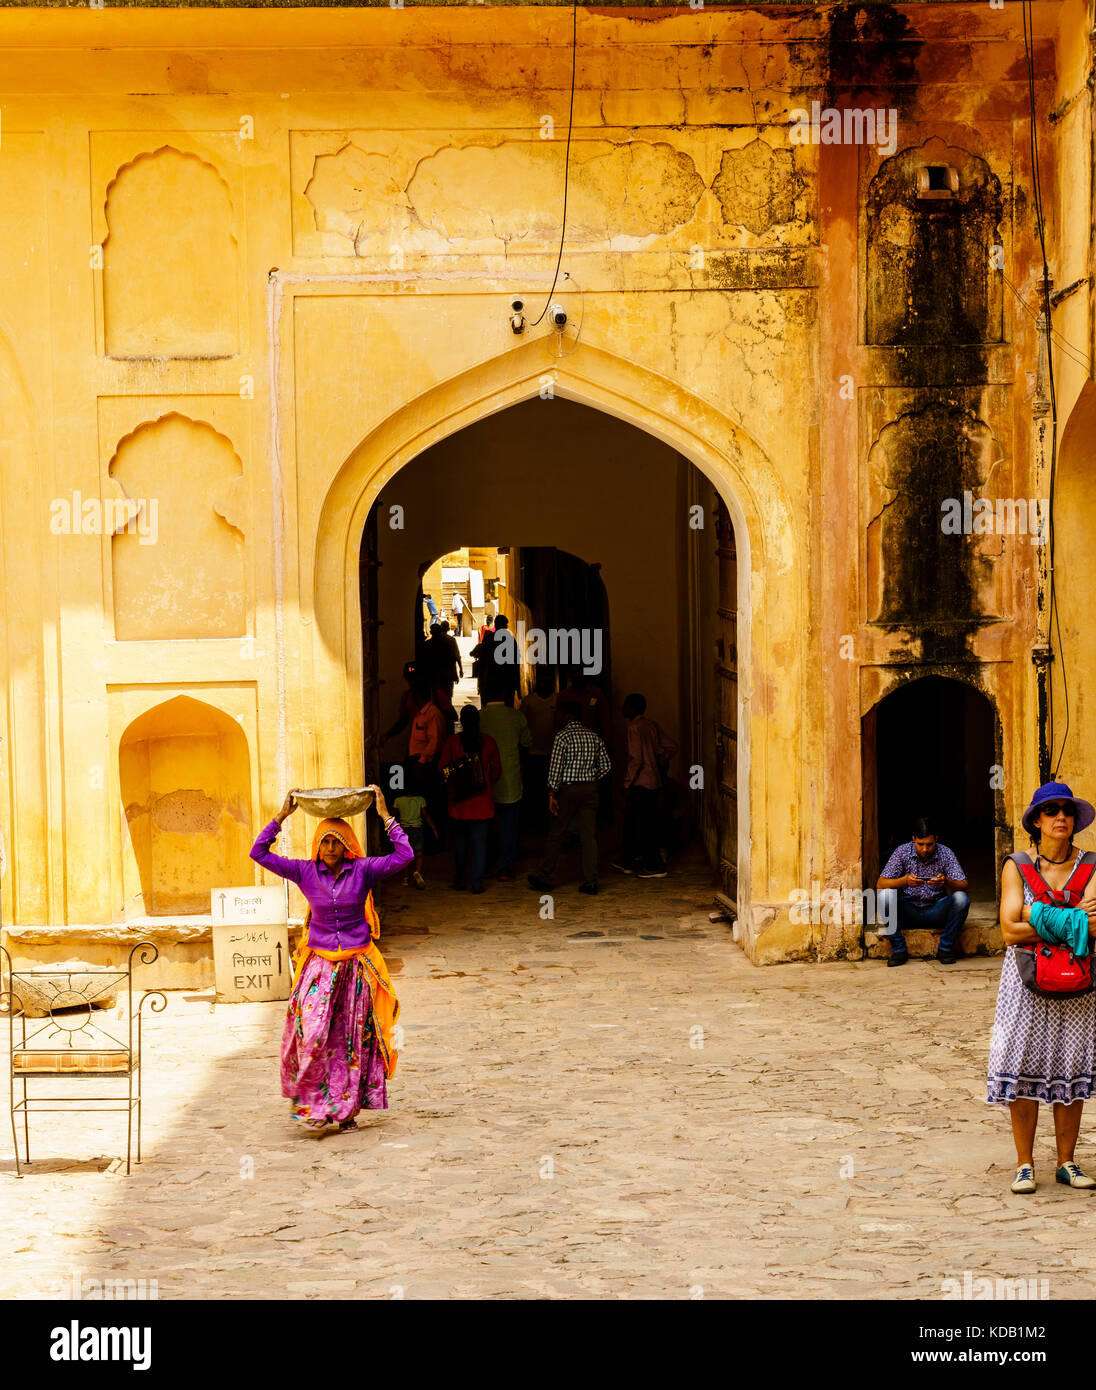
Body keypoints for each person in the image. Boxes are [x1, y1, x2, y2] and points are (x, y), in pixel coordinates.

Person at [250, 787, 411, 1132]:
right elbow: (258, 852)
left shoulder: (363, 871)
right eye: (325, 842)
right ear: (317, 846)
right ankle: (314, 1104)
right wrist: (281, 817)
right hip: (319, 968)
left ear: (348, 845)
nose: (330, 848)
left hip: (356, 968)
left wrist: (385, 816)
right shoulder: (305, 872)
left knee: (350, 1042)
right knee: (313, 1032)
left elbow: (404, 856)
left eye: (337, 841)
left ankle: (346, 1112)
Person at [989, 782, 1096, 1193]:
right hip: (1026, 980)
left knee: (1071, 1065)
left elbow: (1094, 922)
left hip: (1079, 981)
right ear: (1036, 821)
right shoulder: (1016, 865)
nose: (1060, 818)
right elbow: (1008, 930)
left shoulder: (1091, 865)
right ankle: (1025, 1163)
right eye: (1050, 811)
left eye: (1066, 811)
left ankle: (1067, 1161)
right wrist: (1072, 920)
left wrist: (1037, 912)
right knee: (1023, 1066)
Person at [528, 693, 611, 896]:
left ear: (566, 716)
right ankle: (591, 881)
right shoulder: (593, 736)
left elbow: (556, 768)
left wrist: (551, 793)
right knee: (588, 836)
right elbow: (607, 766)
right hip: (590, 789)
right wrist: (591, 778)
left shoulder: (562, 737)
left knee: (557, 833)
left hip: (568, 789)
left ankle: (545, 877)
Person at [876, 816, 970, 966]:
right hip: (908, 910)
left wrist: (946, 881)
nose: (925, 849)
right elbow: (881, 883)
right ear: (913, 839)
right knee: (884, 896)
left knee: (961, 899)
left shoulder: (945, 853)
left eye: (930, 844)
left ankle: (945, 948)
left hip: (936, 910)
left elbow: (964, 885)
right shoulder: (902, 852)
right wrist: (905, 881)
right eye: (920, 844)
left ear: (936, 840)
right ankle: (899, 950)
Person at [615, 693, 678, 878]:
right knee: (639, 822)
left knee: (644, 825)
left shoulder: (634, 728)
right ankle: (629, 859)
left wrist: (627, 783)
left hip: (640, 783)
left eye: (626, 705)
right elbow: (672, 746)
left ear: (633, 708)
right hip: (654, 781)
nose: (623, 708)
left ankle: (654, 865)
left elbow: (636, 759)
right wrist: (659, 761)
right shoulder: (651, 725)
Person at [439, 705, 501, 894]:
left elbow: (442, 769)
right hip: (482, 802)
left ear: (461, 721)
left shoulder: (452, 742)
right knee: (480, 844)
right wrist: (485, 783)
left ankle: (460, 881)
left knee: (460, 844)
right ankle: (476, 883)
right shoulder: (488, 742)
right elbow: (497, 772)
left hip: (459, 803)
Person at [479, 682, 533, 878]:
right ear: (504, 693)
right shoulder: (516, 716)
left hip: (484, 781)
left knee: (484, 825)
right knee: (508, 825)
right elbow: (527, 742)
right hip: (510, 779)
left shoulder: (480, 716)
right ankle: (505, 866)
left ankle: (482, 864)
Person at [521, 670, 558, 836]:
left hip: (553, 754)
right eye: (542, 681)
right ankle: (535, 823)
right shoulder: (529, 701)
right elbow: (522, 725)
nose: (545, 684)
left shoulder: (558, 700)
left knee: (551, 791)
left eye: (548, 681)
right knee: (534, 790)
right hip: (533, 753)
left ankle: (549, 822)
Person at [393, 767, 437, 889]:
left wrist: (390, 830)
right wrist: (434, 829)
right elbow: (426, 816)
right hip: (417, 829)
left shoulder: (398, 800)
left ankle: (405, 879)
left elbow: (392, 816)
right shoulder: (420, 800)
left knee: (405, 856)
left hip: (404, 830)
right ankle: (417, 872)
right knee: (419, 854)